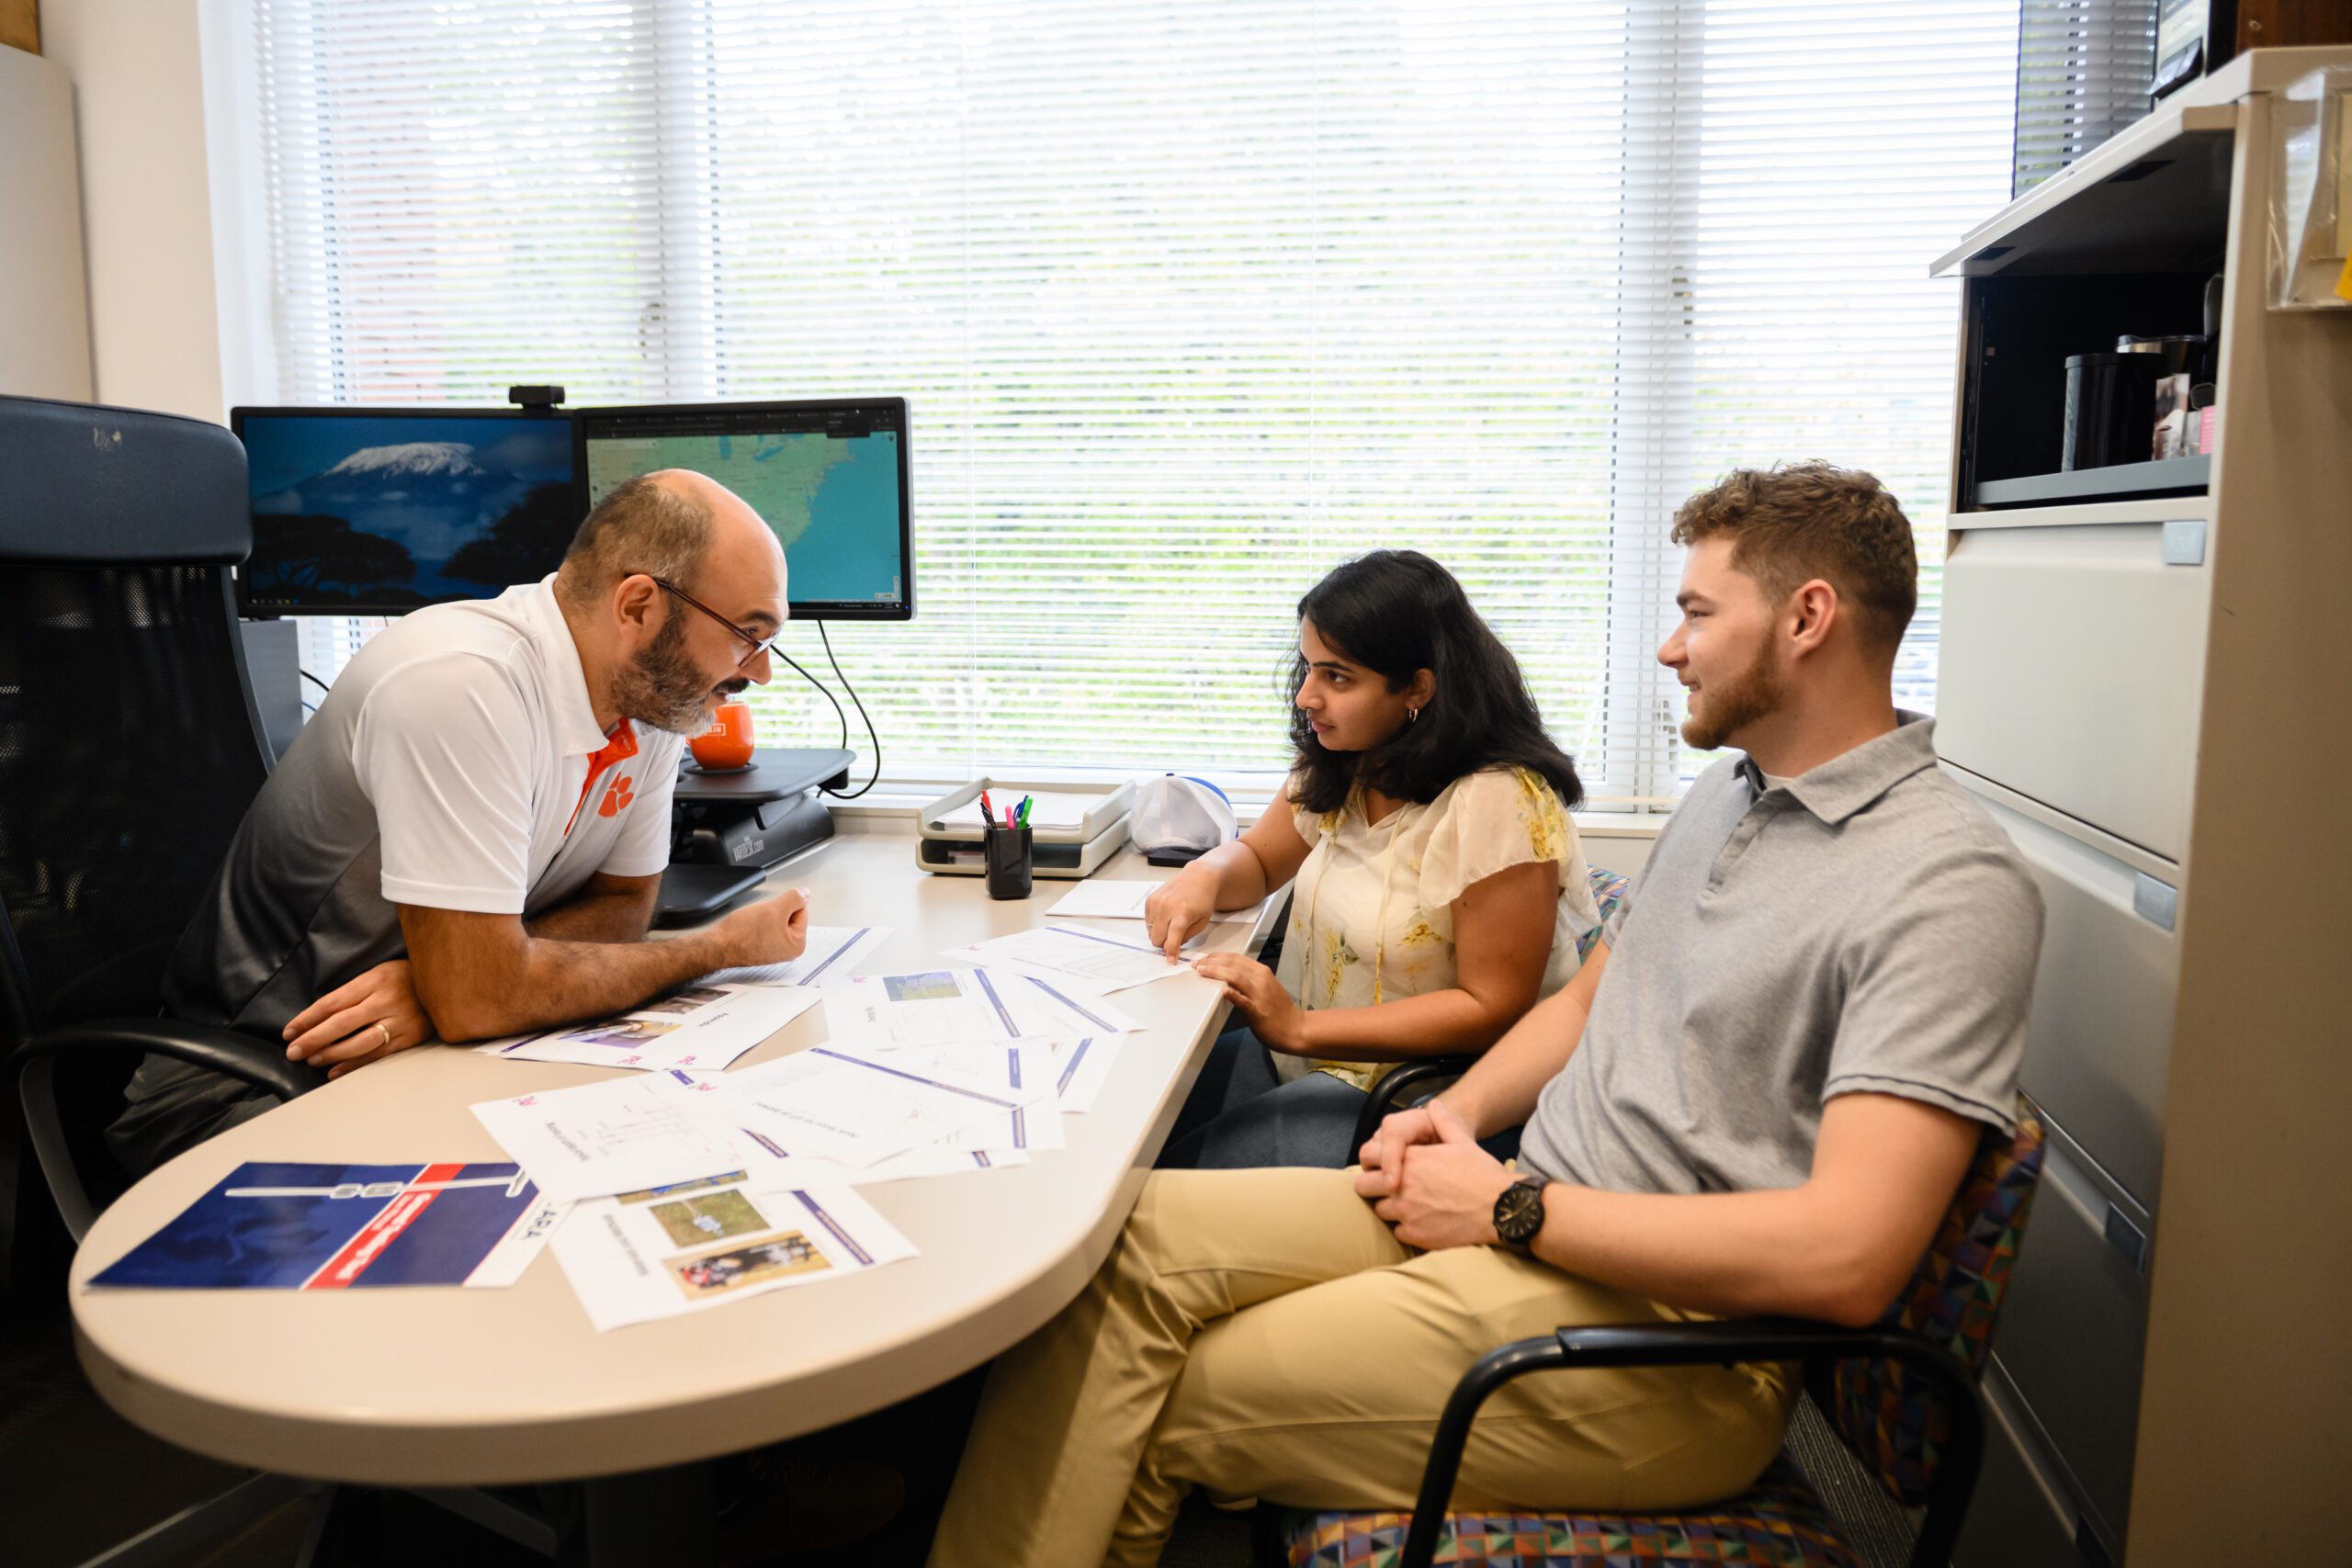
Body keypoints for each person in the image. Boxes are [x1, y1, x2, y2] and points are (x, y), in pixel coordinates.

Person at [925, 462, 2045, 1568]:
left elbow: (1846, 1259)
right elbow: (1603, 992)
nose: (1669, 646)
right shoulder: (1735, 791)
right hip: (1531, 1218)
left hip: (1664, 1351)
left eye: (1697, 612)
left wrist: (1512, 1210)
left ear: (1807, 619)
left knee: (1171, 1392)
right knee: (1105, 1252)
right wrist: (1451, 1120)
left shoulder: (1944, 884)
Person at [107, 471, 816, 1173]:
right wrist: (714, 949)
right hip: (245, 1090)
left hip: (419, 1054)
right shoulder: (460, 684)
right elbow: (482, 998)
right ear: (637, 606)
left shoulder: (651, 703)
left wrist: (442, 984)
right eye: (747, 636)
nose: (760, 672)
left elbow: (624, 910)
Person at [1145, 550, 1601, 1169]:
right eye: (1307, 668)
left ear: (1417, 687)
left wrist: (1299, 1026)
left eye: (1337, 677)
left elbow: (1491, 1007)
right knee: (1134, 1127)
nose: (1307, 696)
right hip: (1310, 1053)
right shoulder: (1347, 758)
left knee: (1159, 1187)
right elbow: (1256, 857)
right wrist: (1201, 877)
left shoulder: (1497, 802)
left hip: (1418, 1091)